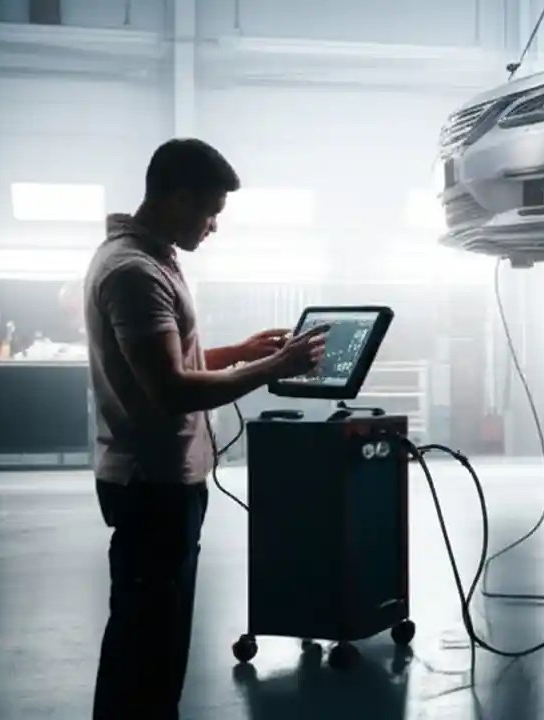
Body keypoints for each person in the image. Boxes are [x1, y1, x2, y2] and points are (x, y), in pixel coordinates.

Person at [83, 138, 328, 720]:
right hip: (154, 484)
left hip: (159, 481)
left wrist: (238, 353)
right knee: (147, 647)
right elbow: (168, 390)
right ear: (176, 196)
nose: (214, 225)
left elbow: (171, 364)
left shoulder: (148, 257)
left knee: (152, 642)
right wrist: (274, 368)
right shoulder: (135, 272)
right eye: (209, 210)